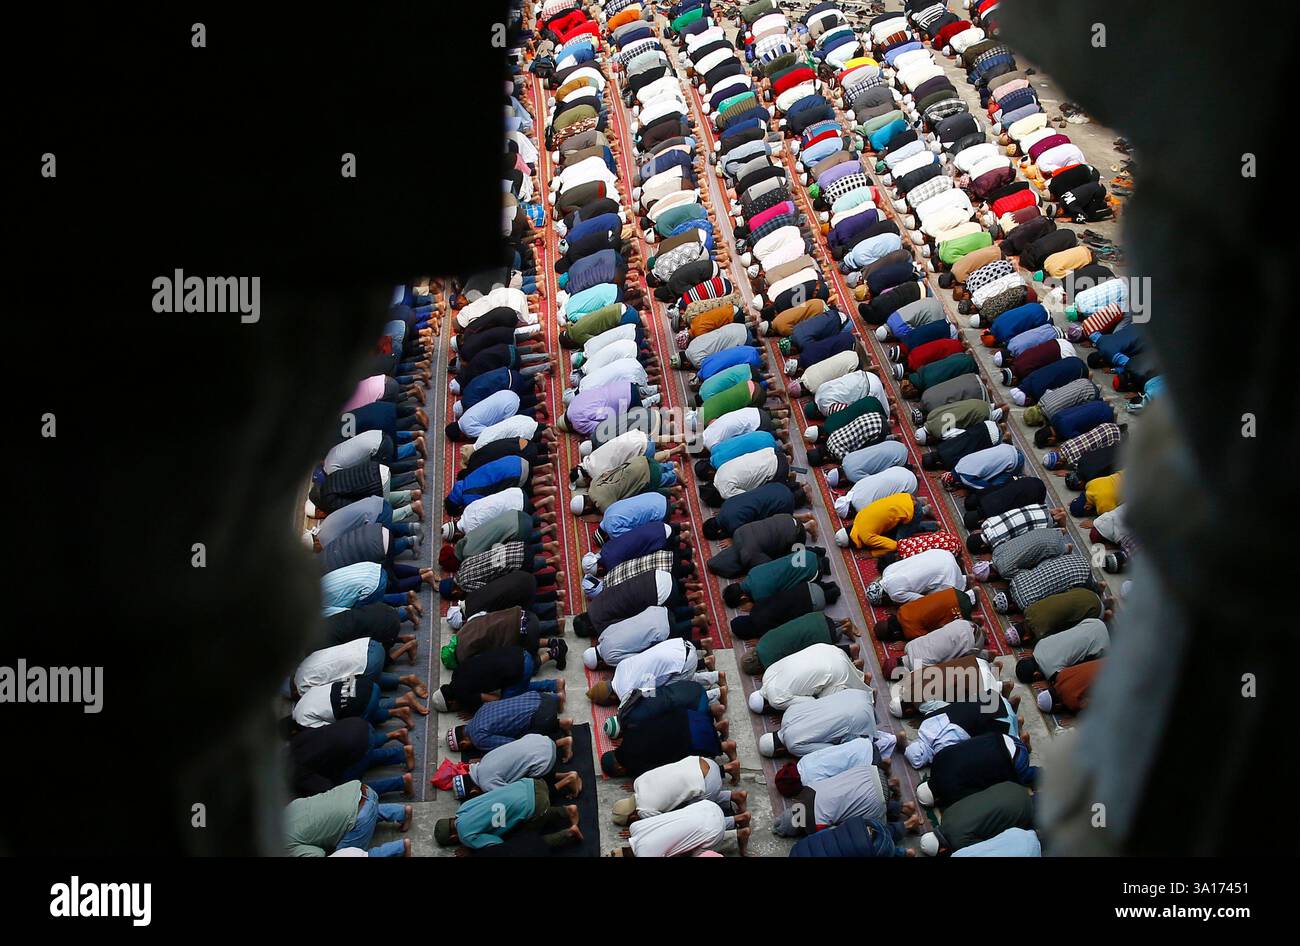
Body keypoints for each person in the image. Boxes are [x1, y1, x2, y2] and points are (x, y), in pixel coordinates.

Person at [434, 778, 581, 853]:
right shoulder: (463, 809)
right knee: (526, 810)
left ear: (453, 838)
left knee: (525, 843)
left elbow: (497, 844)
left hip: (536, 805)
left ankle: (569, 833)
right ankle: (567, 810)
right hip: (530, 784)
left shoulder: (465, 837)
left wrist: (473, 849)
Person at [284, 780, 410, 857]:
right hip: (360, 790)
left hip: (360, 817)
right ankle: (402, 812)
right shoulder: (289, 808)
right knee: (355, 810)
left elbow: (318, 854)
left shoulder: (285, 844)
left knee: (348, 855)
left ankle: (400, 848)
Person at [429, 644, 566, 715]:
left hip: (521, 667)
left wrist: (477, 712)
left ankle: (555, 698)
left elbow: (495, 700)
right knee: (515, 687)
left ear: (451, 702)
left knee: (510, 701)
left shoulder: (463, 695)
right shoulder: (456, 674)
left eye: (452, 708)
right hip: (517, 652)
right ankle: (554, 683)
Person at [453, 733, 582, 801]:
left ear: (474, 791)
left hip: (544, 760)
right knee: (522, 763)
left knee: (533, 792)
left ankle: (569, 779)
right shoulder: (482, 762)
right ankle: (563, 742)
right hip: (540, 740)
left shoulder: (486, 784)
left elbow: (513, 795)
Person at [757, 688, 877, 758]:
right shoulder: (788, 714)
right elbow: (812, 700)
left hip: (860, 718)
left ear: (778, 751)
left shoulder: (793, 746)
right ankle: (870, 700)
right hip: (853, 694)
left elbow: (830, 750)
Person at [446, 691, 573, 756]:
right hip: (541, 697)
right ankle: (562, 719)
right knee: (519, 720)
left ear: (463, 744)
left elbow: (512, 746)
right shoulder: (480, 711)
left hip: (542, 716)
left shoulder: (478, 738)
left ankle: (563, 742)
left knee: (528, 745)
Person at [610, 800, 750, 857]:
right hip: (706, 806)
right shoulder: (636, 827)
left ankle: (738, 834)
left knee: (695, 851)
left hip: (713, 829)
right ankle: (739, 824)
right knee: (693, 826)